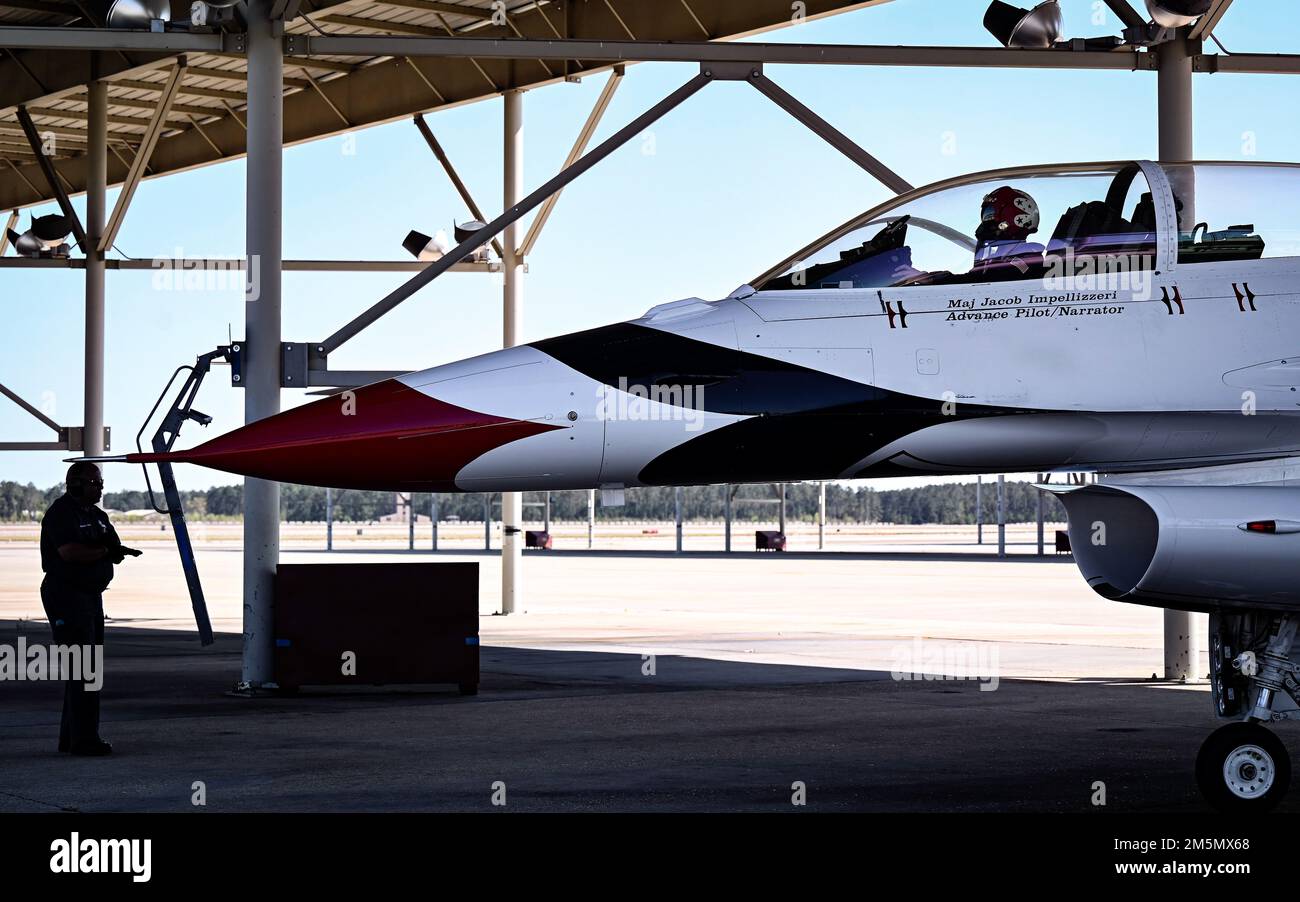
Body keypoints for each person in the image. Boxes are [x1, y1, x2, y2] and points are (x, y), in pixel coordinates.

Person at [39, 461, 140, 756]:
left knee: (88, 668)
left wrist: (115, 552)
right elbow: (69, 552)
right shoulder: (61, 513)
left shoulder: (98, 516)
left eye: (101, 483)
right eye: (95, 483)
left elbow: (111, 545)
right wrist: (104, 551)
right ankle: (84, 741)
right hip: (66, 595)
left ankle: (73, 737)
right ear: (77, 484)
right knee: (82, 668)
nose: (100, 489)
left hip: (90, 597)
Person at [973, 186, 1042, 269]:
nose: (987, 223)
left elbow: (978, 278)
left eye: (990, 213)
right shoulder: (997, 258)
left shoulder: (1027, 260)